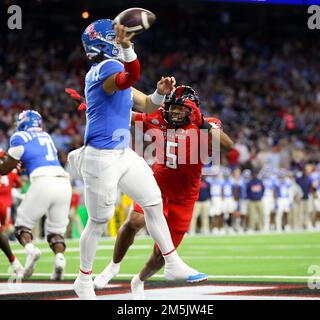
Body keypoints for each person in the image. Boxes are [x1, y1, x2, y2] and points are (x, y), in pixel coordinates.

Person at [68, 20, 209, 299]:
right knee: (98, 221)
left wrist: (159, 92)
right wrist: (128, 47)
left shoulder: (109, 70)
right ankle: (83, 279)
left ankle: (172, 263)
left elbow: (147, 104)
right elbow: (130, 76)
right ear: (104, 42)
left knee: (153, 201)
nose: (120, 39)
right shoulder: (107, 67)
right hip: (101, 157)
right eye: (115, 37)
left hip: (122, 154)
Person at [92, 85, 233, 299]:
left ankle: (138, 280)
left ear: (193, 109)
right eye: (172, 108)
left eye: (180, 109)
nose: (174, 113)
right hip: (156, 185)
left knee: (161, 255)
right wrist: (96, 107)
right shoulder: (159, 117)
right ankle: (113, 266)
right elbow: (126, 116)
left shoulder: (207, 124)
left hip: (184, 197)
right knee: (134, 222)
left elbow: (227, 146)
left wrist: (201, 123)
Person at [0, 110, 72, 280]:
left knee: (21, 228)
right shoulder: (47, 137)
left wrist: (5, 157)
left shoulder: (19, 137)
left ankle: (31, 250)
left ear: (23, 123)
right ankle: (60, 259)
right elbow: (32, 158)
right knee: (56, 233)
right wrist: (19, 163)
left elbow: (4, 169)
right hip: (63, 182)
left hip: (43, 181)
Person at [0, 149, 24, 279]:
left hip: (3, 202)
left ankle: (15, 262)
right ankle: (15, 263)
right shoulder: (11, 170)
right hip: (6, 203)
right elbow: (19, 183)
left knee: (2, 231)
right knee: (3, 230)